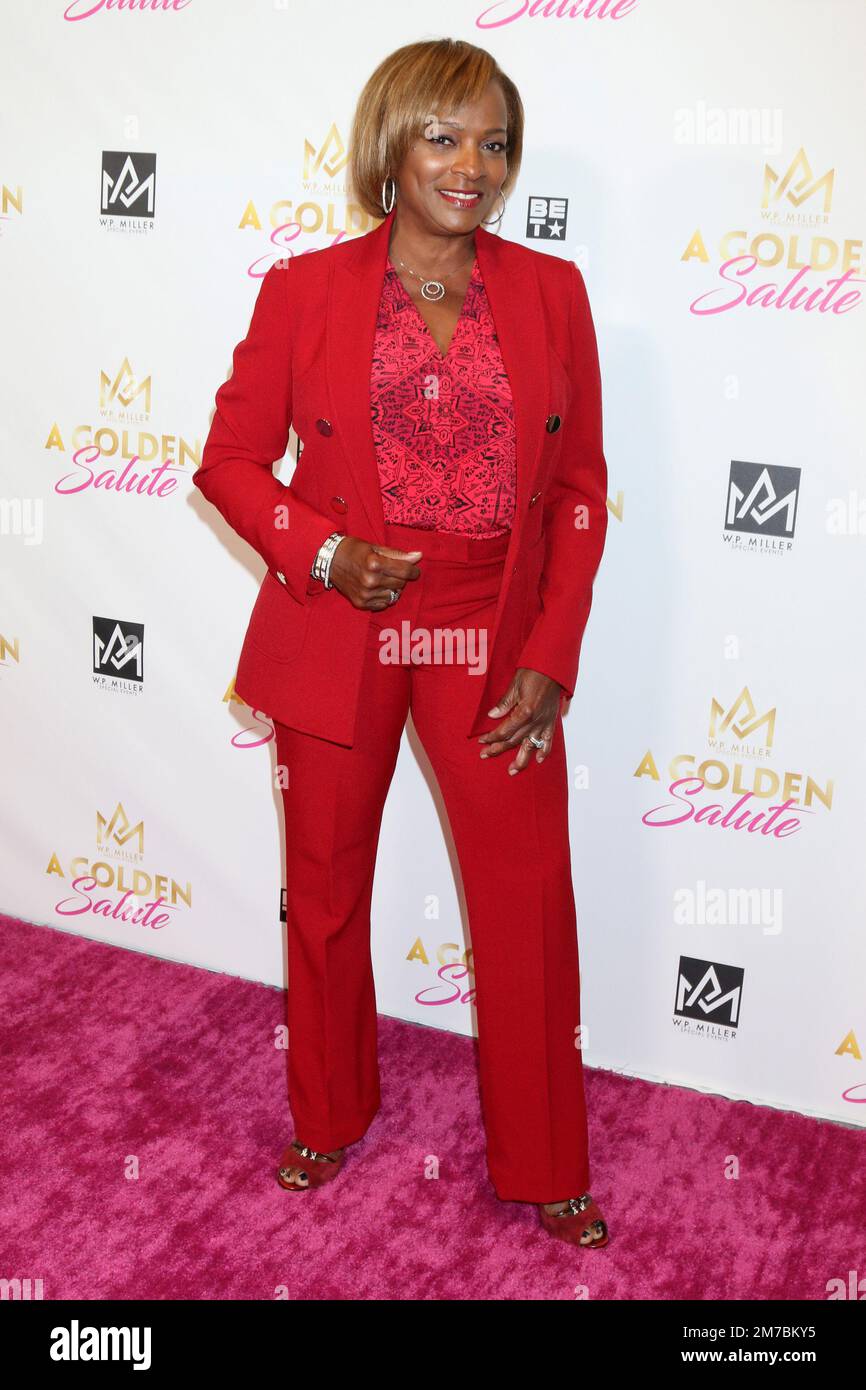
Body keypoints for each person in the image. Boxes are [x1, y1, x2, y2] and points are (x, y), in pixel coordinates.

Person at [193, 37, 610, 1248]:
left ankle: (546, 1160)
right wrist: (323, 551)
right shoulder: (304, 289)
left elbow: (579, 491)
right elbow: (226, 459)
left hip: (487, 627)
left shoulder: (551, 294)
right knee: (323, 888)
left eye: (490, 140)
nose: (467, 163)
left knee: (526, 896)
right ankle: (328, 1109)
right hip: (340, 625)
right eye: (441, 135)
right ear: (391, 145)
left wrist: (550, 650)